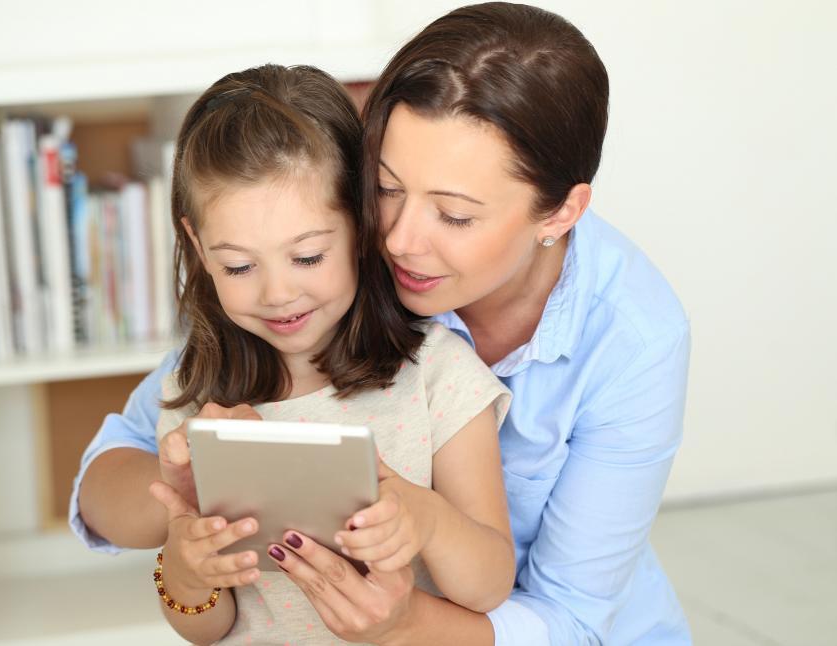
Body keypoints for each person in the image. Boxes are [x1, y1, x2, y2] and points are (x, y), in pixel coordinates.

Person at [73, 2, 692, 643]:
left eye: (454, 215)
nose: (397, 241)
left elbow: (567, 615)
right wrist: (188, 518)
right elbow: (124, 467)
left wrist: (404, 617)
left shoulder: (632, 340)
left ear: (561, 213)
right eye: (387, 188)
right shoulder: (307, 284)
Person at [74, 63, 515, 645]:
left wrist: (425, 519)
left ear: (361, 226)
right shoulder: (204, 403)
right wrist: (185, 569)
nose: (277, 293)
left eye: (307, 257)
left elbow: (489, 584)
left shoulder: (436, 375)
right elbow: (206, 629)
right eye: (238, 266)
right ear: (197, 248)